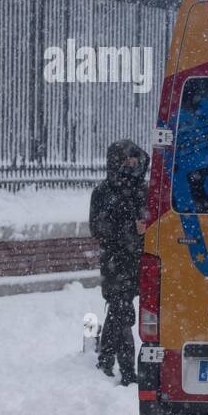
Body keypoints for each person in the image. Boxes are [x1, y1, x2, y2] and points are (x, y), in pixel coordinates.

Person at [90, 139, 148, 386]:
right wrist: (127, 230)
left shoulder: (143, 190)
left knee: (118, 312)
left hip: (139, 259)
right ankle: (127, 372)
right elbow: (97, 227)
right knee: (122, 311)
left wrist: (144, 228)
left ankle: (104, 359)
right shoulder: (104, 191)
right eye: (127, 159)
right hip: (115, 260)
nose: (132, 164)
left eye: (135, 159)